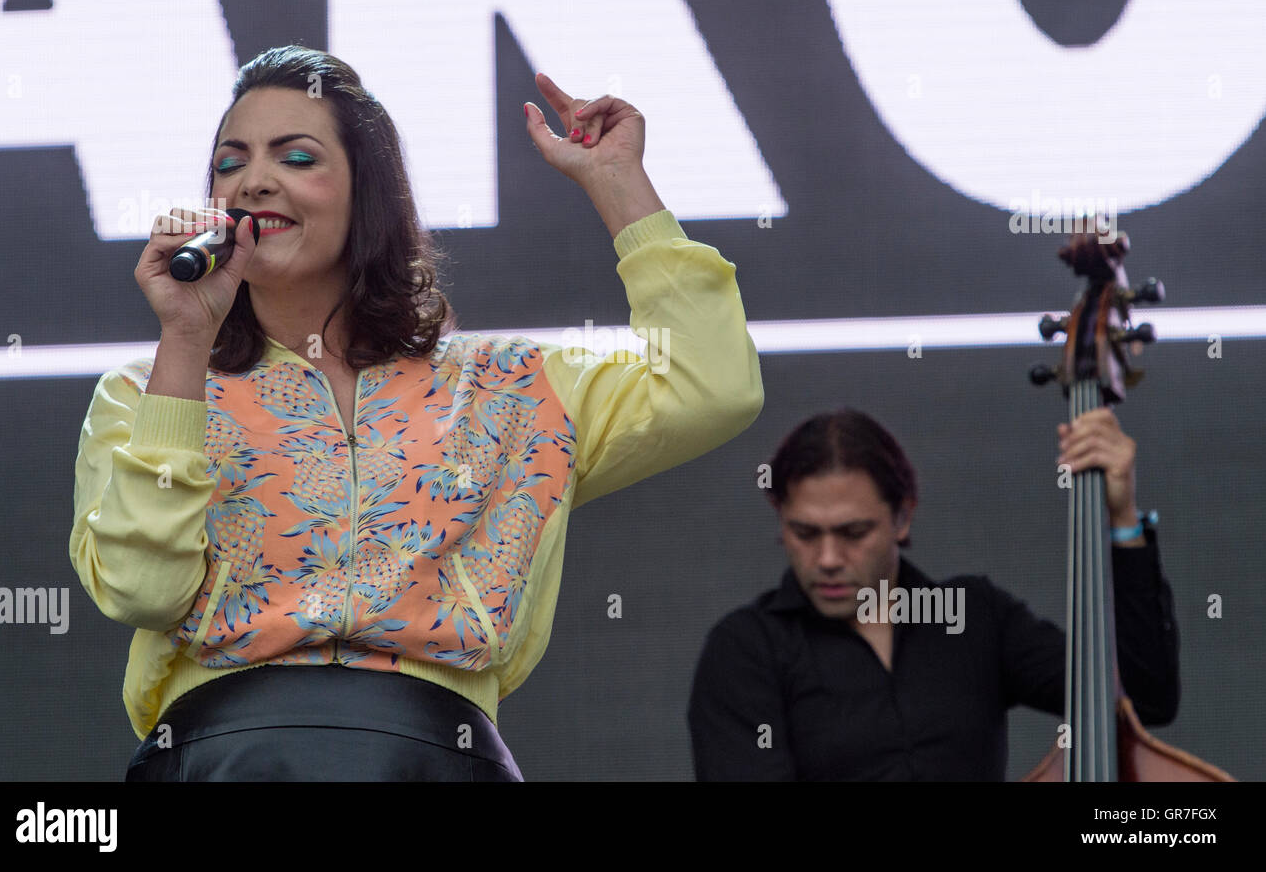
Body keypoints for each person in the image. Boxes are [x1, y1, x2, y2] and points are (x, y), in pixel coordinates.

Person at [69, 45, 763, 781]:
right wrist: (186, 338)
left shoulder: (512, 385)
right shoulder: (147, 390)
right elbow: (142, 589)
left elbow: (714, 383)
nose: (255, 182)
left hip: (434, 759)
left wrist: (618, 181)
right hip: (222, 761)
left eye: (296, 157)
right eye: (230, 163)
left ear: (366, 190)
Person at [687, 407, 1177, 781]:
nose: (828, 558)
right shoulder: (747, 648)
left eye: (854, 532)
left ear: (903, 517)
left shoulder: (974, 617)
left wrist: (1122, 521)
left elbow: (1143, 696)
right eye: (804, 533)